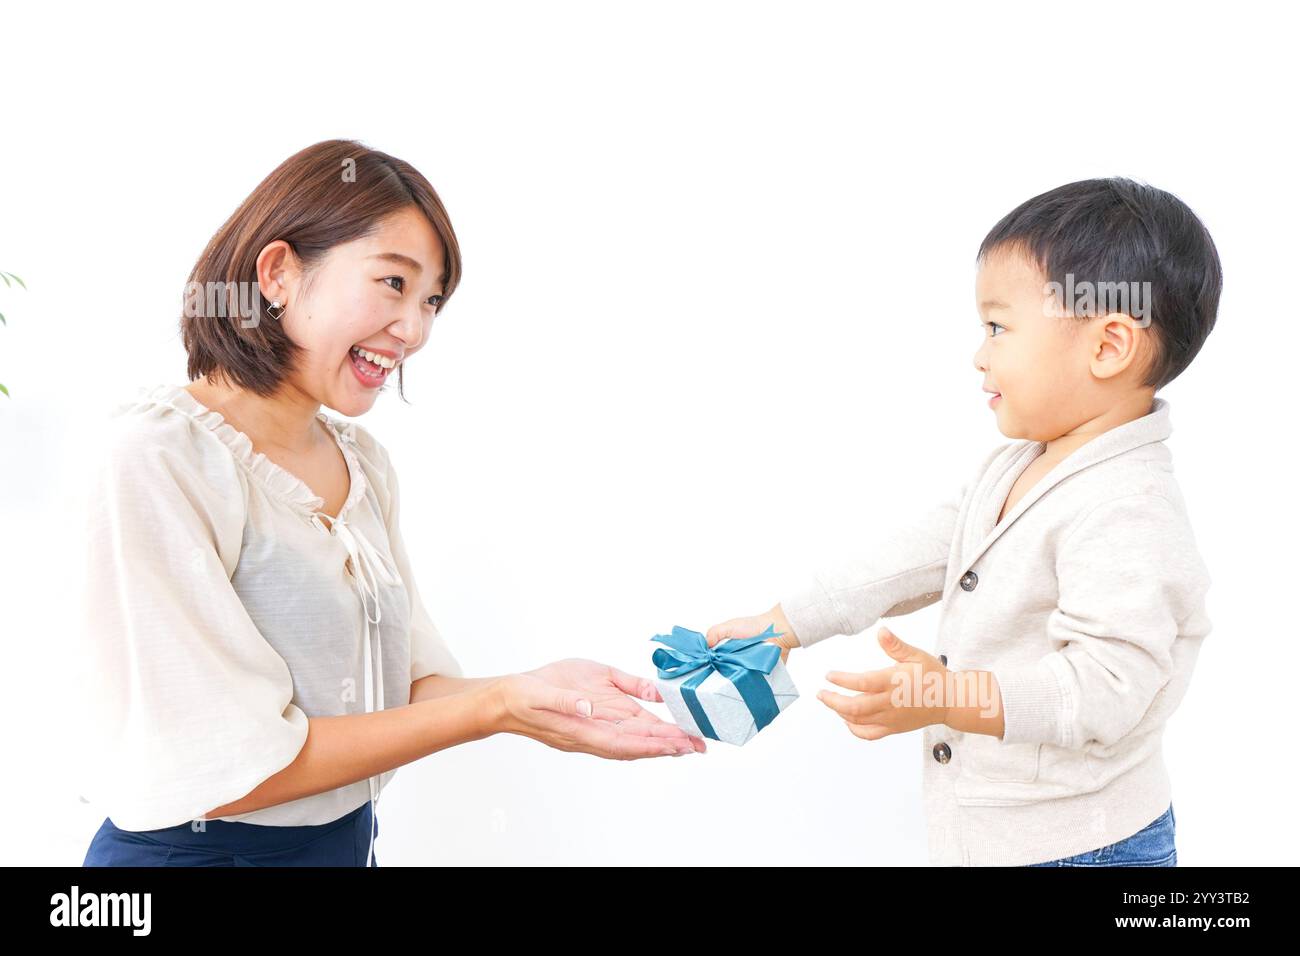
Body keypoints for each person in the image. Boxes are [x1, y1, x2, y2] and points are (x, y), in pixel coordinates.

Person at [79, 139, 705, 868]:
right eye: (392, 284)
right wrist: (494, 708)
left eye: (432, 300)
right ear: (278, 273)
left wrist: (533, 694)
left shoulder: (362, 465)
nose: (415, 330)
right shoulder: (159, 457)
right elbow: (227, 763)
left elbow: (406, 685)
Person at [705, 178, 1218, 866]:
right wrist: (789, 620)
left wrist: (948, 696)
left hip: (1083, 847)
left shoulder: (1129, 508)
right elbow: (921, 552)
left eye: (999, 327)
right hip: (999, 839)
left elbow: (1106, 689)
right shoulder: (1019, 465)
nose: (980, 354)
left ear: (1107, 346)